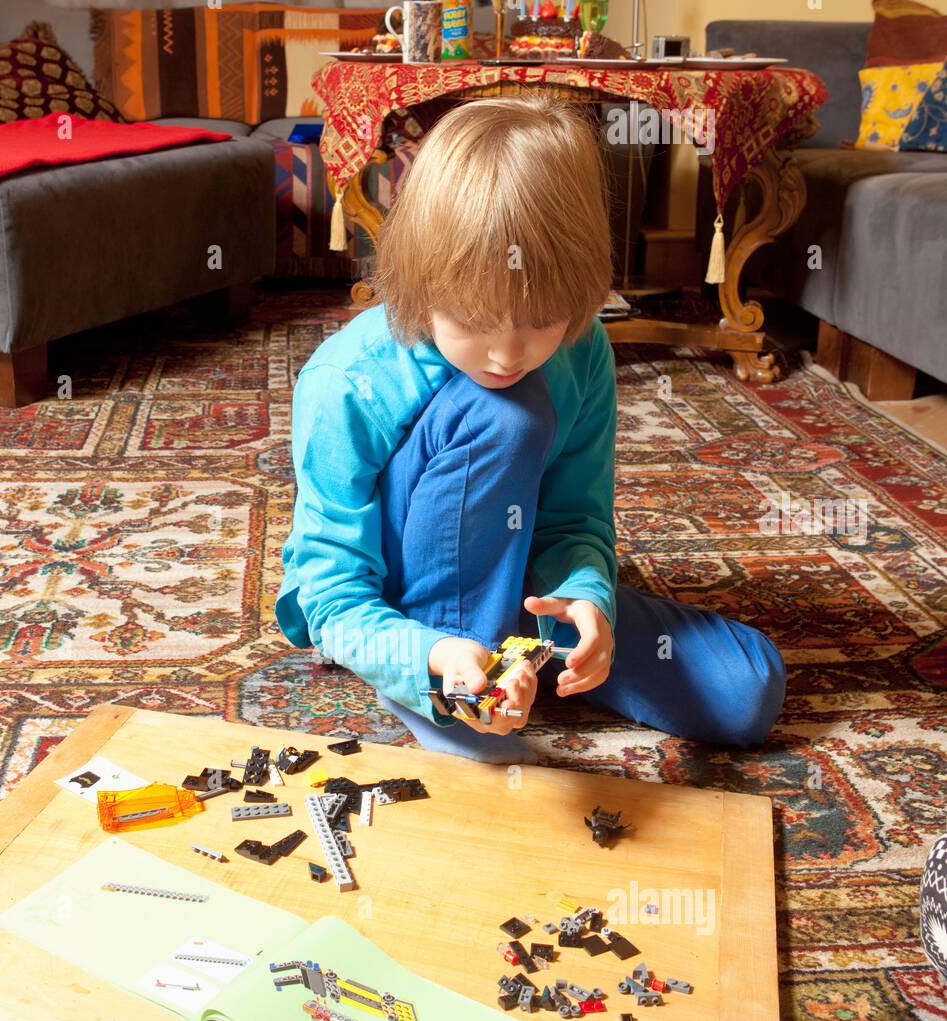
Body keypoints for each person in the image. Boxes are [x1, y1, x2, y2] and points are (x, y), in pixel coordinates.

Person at [275, 95, 785, 764]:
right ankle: (452, 673)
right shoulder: (346, 378)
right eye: (473, 321)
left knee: (745, 690)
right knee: (504, 411)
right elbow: (330, 594)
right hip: (400, 608)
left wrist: (585, 600)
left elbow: (575, 520)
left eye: (542, 320)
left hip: (515, 583)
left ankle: (508, 653)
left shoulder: (583, 348)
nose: (507, 354)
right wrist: (425, 653)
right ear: (420, 280)